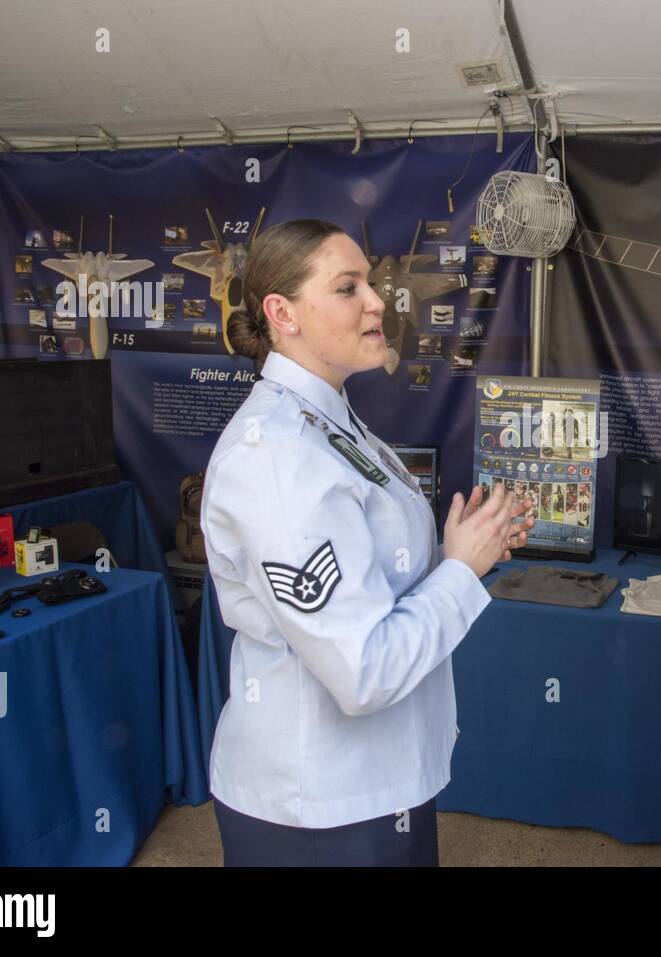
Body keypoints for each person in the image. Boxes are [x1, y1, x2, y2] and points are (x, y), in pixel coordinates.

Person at [201, 219, 533, 866]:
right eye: (348, 287)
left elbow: (367, 581)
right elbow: (364, 670)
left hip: (373, 784)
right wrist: (461, 570)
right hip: (318, 805)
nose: (378, 301)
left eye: (371, 284)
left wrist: (463, 548)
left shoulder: (331, 419)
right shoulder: (276, 457)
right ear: (282, 313)